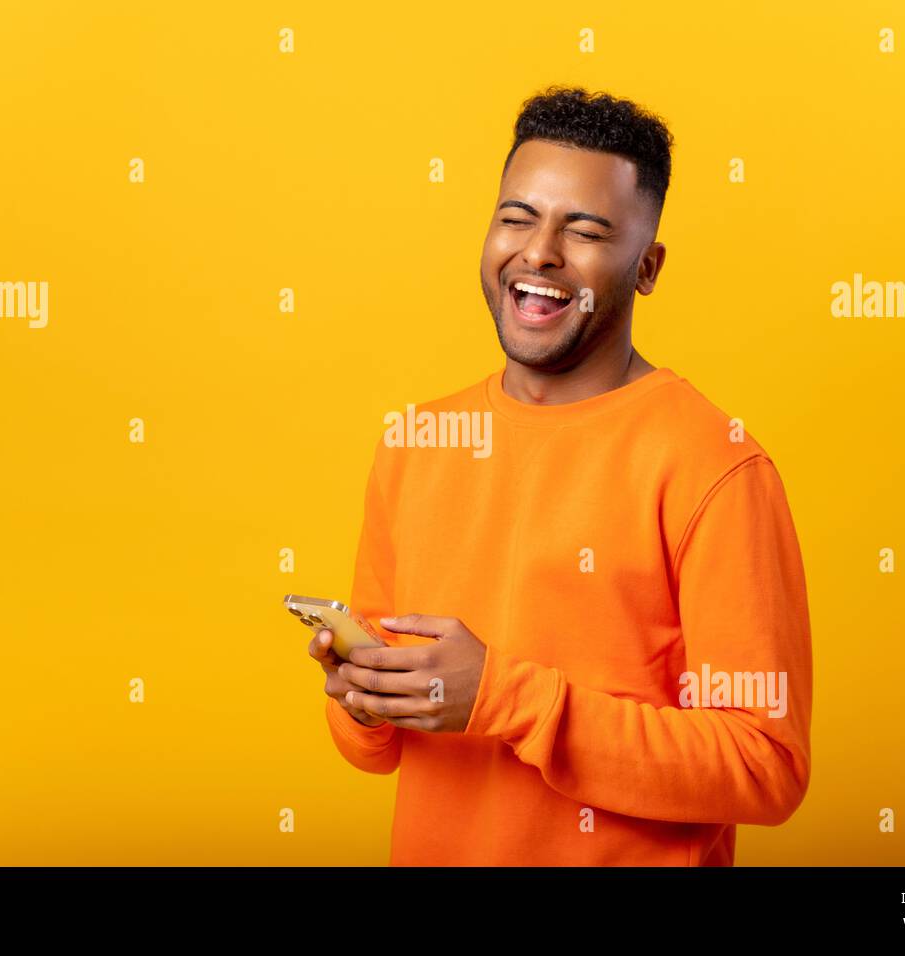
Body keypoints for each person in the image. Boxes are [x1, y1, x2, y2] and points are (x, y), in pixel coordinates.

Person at [308, 85, 812, 866]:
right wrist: (366, 700)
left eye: (584, 231)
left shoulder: (717, 466)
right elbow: (375, 753)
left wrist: (503, 698)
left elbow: (764, 765)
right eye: (516, 217)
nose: (538, 252)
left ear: (647, 267)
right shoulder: (417, 442)